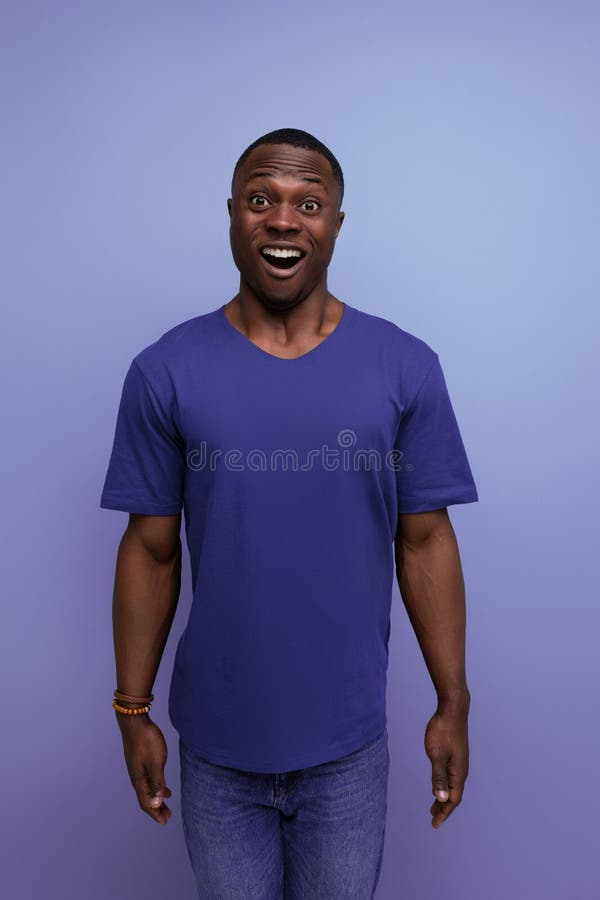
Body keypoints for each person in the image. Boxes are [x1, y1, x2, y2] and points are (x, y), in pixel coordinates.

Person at [100, 127, 479, 899]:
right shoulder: (165, 370)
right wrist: (132, 706)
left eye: (309, 203)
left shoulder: (405, 367)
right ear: (233, 215)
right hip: (216, 748)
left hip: (347, 748)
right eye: (261, 199)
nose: (283, 219)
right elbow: (150, 551)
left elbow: (427, 539)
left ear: (337, 223)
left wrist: (453, 701)